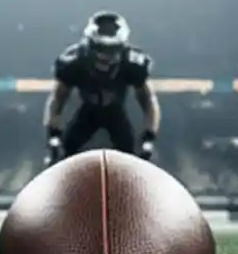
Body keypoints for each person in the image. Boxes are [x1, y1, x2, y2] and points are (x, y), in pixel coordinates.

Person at [43, 11, 161, 165]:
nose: (105, 57)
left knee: (135, 162)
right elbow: (57, 99)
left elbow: (149, 101)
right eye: (100, 49)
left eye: (111, 50)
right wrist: (53, 135)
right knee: (61, 157)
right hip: (88, 114)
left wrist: (149, 138)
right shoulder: (74, 61)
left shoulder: (133, 63)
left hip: (115, 114)